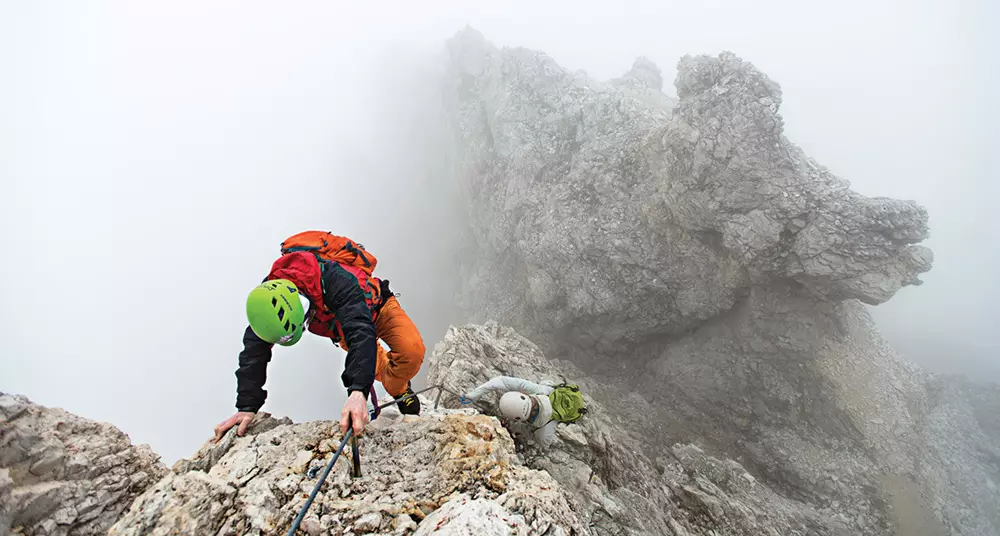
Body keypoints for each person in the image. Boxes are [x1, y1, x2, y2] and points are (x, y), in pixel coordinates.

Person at [213, 231, 426, 442]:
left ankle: (397, 388)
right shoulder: (269, 302)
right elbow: (253, 352)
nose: (308, 324)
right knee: (375, 365)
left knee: (412, 351)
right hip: (343, 328)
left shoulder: (335, 279)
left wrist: (358, 391)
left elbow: (361, 331)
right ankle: (400, 388)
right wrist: (247, 406)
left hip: (379, 308)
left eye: (306, 320)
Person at [459, 376, 559, 448]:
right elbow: (501, 380)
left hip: (558, 416)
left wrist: (513, 426)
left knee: (541, 440)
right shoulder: (536, 389)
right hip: (550, 391)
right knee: (546, 383)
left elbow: (545, 444)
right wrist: (473, 394)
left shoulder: (544, 435)